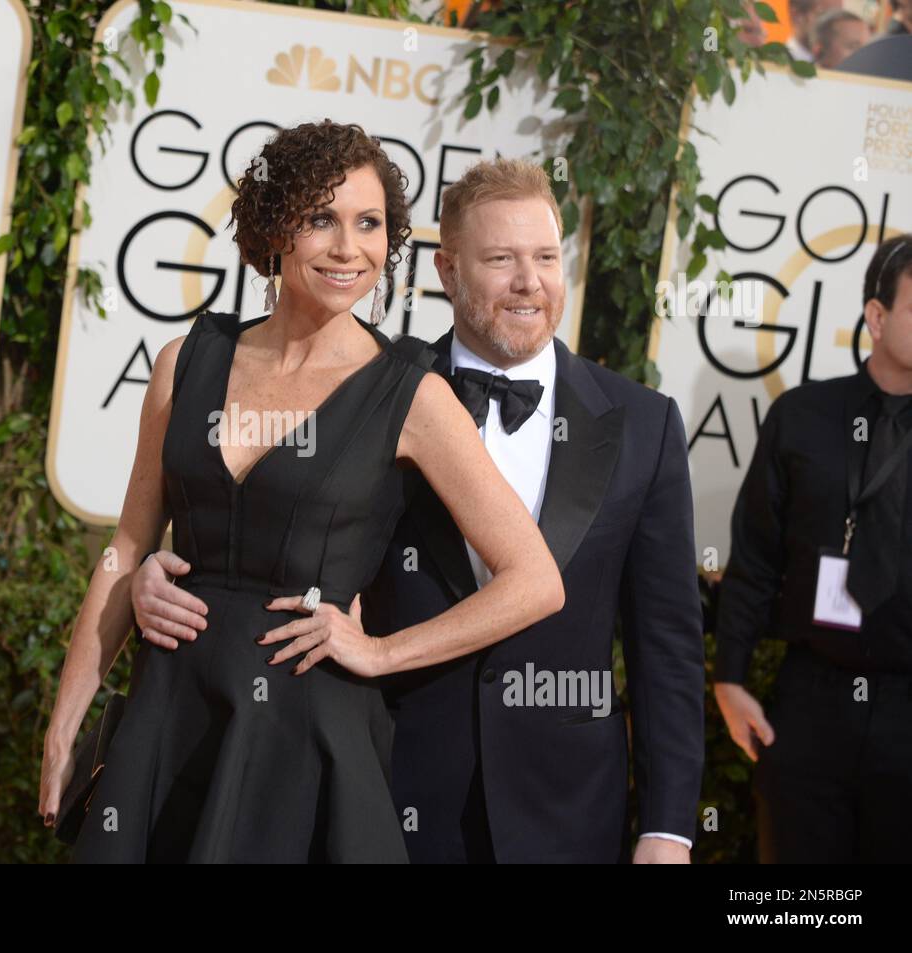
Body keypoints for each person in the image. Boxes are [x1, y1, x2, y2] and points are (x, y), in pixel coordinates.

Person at [134, 158, 706, 864]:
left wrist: (668, 826)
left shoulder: (643, 425)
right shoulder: (372, 396)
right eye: (501, 259)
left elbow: (668, 648)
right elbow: (267, 536)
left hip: (567, 809)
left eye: (547, 258)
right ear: (448, 270)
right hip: (385, 783)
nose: (530, 281)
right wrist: (157, 577)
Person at [38, 121, 564, 863]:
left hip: (304, 741)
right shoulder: (186, 361)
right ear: (275, 226)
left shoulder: (411, 394)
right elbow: (128, 549)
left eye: (370, 223)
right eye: (322, 218)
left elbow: (535, 579)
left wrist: (381, 652)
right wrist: (66, 728)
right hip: (168, 718)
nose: (350, 248)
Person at [715, 236, 912, 863]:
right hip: (810, 703)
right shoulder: (803, 417)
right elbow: (753, 557)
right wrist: (730, 676)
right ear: (876, 318)